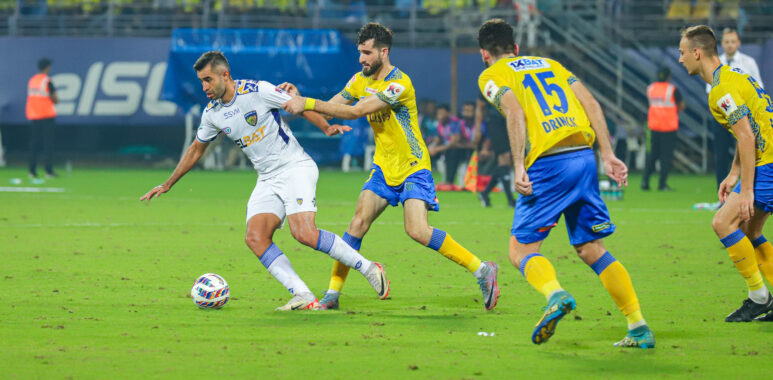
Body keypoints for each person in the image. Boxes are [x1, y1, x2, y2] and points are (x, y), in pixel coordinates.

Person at [139, 51, 389, 311]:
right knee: (256, 237)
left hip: (295, 167)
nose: (204, 87)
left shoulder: (258, 90)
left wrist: (325, 127)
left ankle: (370, 268)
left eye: (208, 80)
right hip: (268, 178)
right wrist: (168, 183)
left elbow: (298, 104)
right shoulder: (212, 113)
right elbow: (196, 149)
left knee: (304, 233)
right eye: (201, 81)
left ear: (225, 75)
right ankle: (302, 294)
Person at [281, 22, 499, 311]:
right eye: (360, 52)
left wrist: (306, 101)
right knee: (356, 224)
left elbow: (356, 111)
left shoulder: (399, 83)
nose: (362, 59)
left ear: (384, 52)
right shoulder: (359, 80)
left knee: (418, 231)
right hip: (384, 167)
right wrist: (296, 99)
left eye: (367, 53)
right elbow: (330, 105)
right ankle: (332, 295)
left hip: (412, 166)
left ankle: (482, 270)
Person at [477, 19, 654, 347]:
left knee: (521, 250)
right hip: (584, 157)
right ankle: (638, 326)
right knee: (591, 248)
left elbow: (514, 111)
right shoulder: (552, 65)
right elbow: (592, 104)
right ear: (515, 48)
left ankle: (555, 294)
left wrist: (518, 166)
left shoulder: (491, 75)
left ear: (485, 54)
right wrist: (609, 153)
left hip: (549, 162)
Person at [679, 25, 773, 322]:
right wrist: (734, 173)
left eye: (682, 53)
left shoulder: (721, 90)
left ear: (697, 52)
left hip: (767, 164)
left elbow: (746, 137)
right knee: (750, 231)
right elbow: (748, 129)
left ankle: (759, 297)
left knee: (723, 223)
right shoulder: (734, 77)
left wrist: (746, 190)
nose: (680, 60)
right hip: (766, 158)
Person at [706, 28, 764, 206]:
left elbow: (759, 88)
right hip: (722, 118)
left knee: (748, 154)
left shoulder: (749, 62)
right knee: (721, 156)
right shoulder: (716, 63)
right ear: (721, 44)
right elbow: (710, 90)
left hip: (744, 118)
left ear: (738, 43)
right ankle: (722, 199)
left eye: (733, 41)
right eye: (726, 42)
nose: (730, 45)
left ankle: (748, 194)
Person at [641, 66, 685, 191]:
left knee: (652, 155)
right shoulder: (672, 89)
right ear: (669, 77)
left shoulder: (650, 88)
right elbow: (681, 105)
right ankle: (662, 184)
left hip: (654, 126)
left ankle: (645, 181)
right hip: (669, 127)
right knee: (666, 157)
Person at [475, 95, 516, 207]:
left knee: (506, 161)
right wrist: (478, 129)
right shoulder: (488, 80)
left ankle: (485, 193)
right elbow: (480, 106)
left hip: (508, 119)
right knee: (505, 157)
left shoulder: (511, 80)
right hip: (495, 120)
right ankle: (510, 200)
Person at [26, 58, 58, 179]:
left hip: (34, 116)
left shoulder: (32, 80)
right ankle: (48, 171)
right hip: (46, 116)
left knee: (34, 145)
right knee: (48, 145)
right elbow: (55, 98)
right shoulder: (47, 81)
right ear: (47, 67)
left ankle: (31, 171)